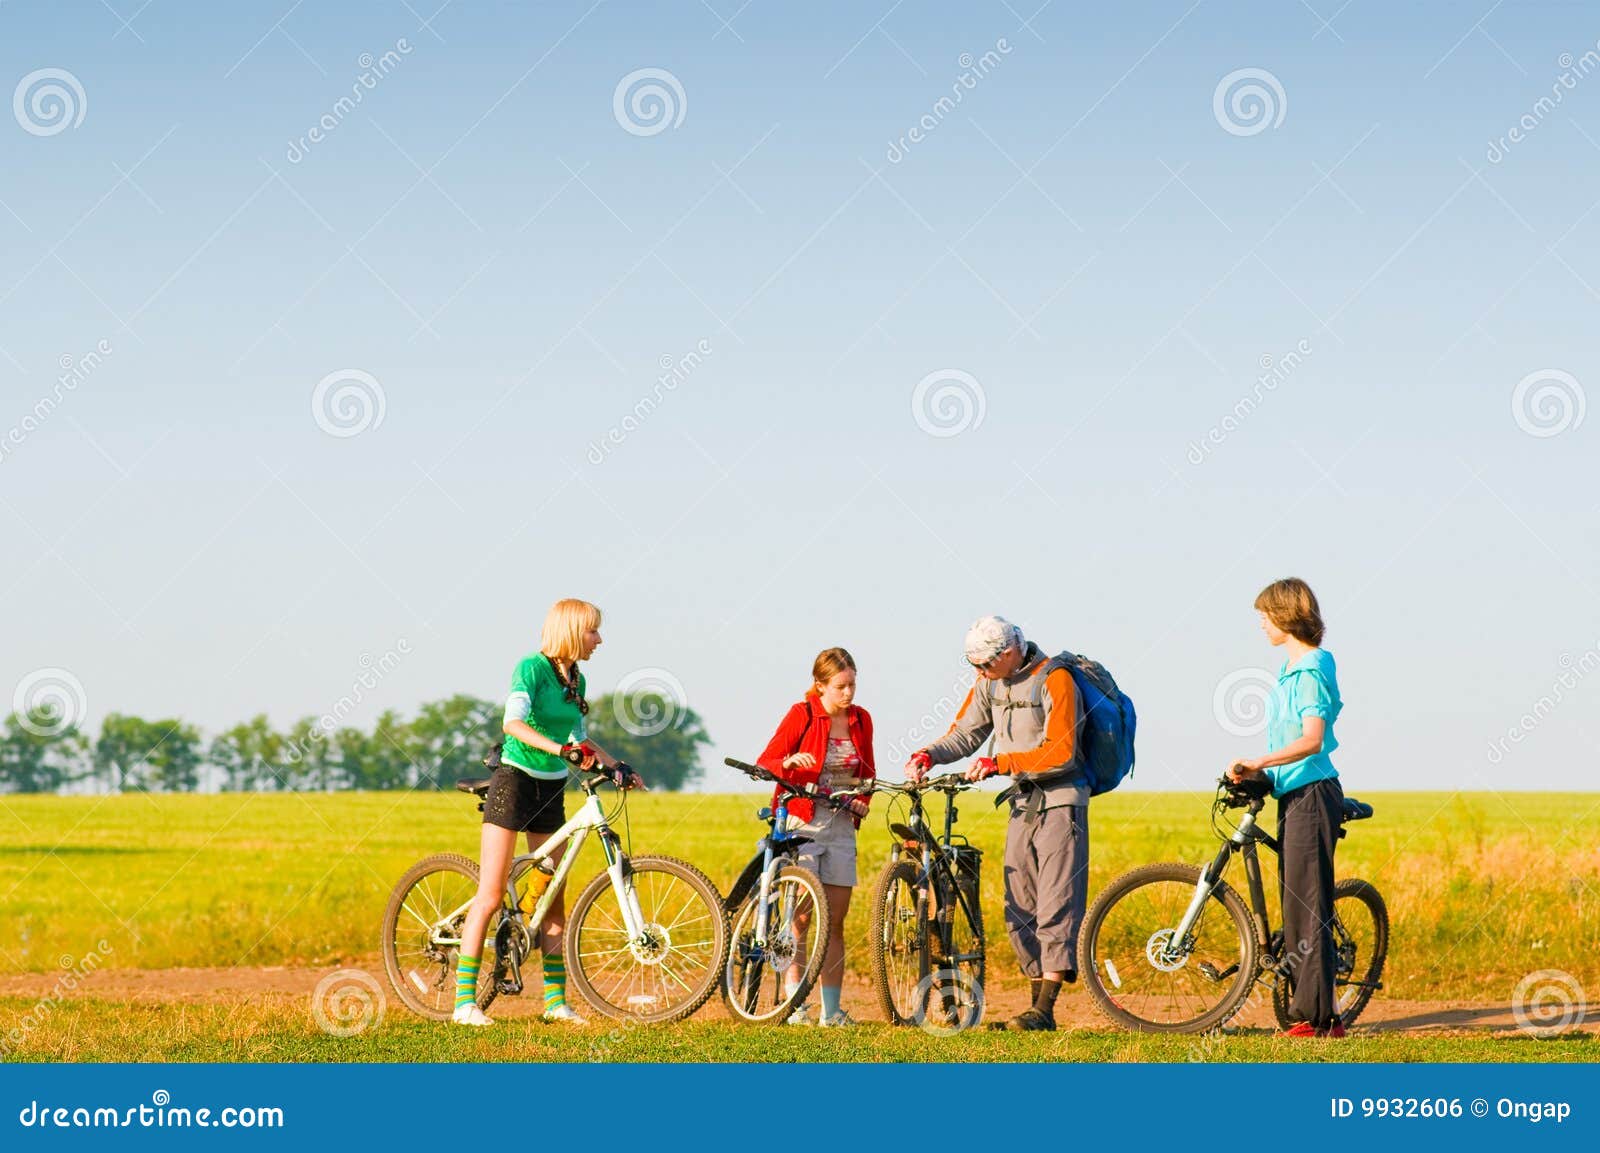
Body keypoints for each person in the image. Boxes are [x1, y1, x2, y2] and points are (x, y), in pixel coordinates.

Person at [451, 598, 635, 1027]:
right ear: (572, 630)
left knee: (553, 900)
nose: (599, 639)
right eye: (593, 631)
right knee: (492, 894)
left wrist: (615, 765)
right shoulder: (531, 668)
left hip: (552, 787)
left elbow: (581, 739)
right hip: (514, 782)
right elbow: (511, 724)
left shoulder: (577, 679)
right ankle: (464, 1005)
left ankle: (555, 1003)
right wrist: (560, 749)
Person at [906, 616, 1087, 1032]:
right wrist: (928, 754)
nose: (978, 673)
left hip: (1062, 801)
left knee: (1055, 904)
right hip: (1022, 801)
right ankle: (1035, 1007)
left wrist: (1001, 762)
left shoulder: (1055, 679)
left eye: (984, 665)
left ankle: (1044, 1009)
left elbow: (1062, 752)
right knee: (1018, 906)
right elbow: (966, 734)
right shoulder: (990, 682)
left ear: (1008, 653)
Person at [1227, 577, 1346, 1038]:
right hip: (1294, 792)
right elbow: (1288, 739)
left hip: (1314, 794)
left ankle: (1319, 1020)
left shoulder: (1312, 668)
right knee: (1296, 902)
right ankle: (1314, 1011)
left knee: (1307, 906)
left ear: (1285, 615)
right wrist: (1258, 774)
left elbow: (1312, 740)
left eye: (1264, 616)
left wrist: (1261, 759)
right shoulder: (1290, 669)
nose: (1260, 624)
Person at [757, 647, 875, 1026]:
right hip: (802, 822)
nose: (849, 694)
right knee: (801, 918)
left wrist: (862, 799)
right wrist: (788, 764)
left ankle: (831, 1010)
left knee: (835, 921)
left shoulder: (861, 719)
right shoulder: (802, 714)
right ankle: (795, 1005)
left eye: (853, 685)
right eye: (841, 686)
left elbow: (867, 772)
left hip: (841, 826)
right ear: (820, 685)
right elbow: (766, 762)